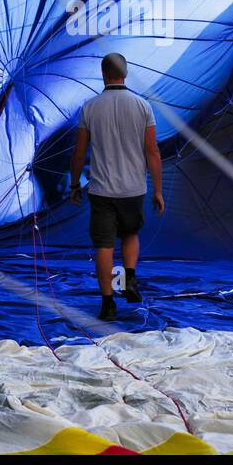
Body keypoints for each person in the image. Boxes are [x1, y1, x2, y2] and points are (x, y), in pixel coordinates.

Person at [69, 52, 164, 320]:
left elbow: (79, 152)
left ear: (103, 74)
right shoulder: (142, 106)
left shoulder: (90, 107)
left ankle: (108, 303)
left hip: (101, 190)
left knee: (104, 246)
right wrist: (157, 189)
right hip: (134, 188)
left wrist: (74, 183)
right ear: (126, 72)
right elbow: (153, 151)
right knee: (131, 234)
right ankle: (130, 279)